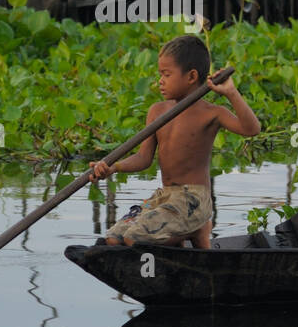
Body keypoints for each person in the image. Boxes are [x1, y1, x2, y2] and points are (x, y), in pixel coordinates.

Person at [89, 33, 261, 249]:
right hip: (165, 197)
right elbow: (143, 158)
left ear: (191, 77)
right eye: (160, 74)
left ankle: (197, 229)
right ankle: (188, 233)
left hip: (194, 199)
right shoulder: (157, 111)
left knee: (136, 239)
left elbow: (252, 129)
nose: (160, 81)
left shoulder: (211, 113)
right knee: (113, 240)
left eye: (166, 74)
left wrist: (231, 93)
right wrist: (113, 167)